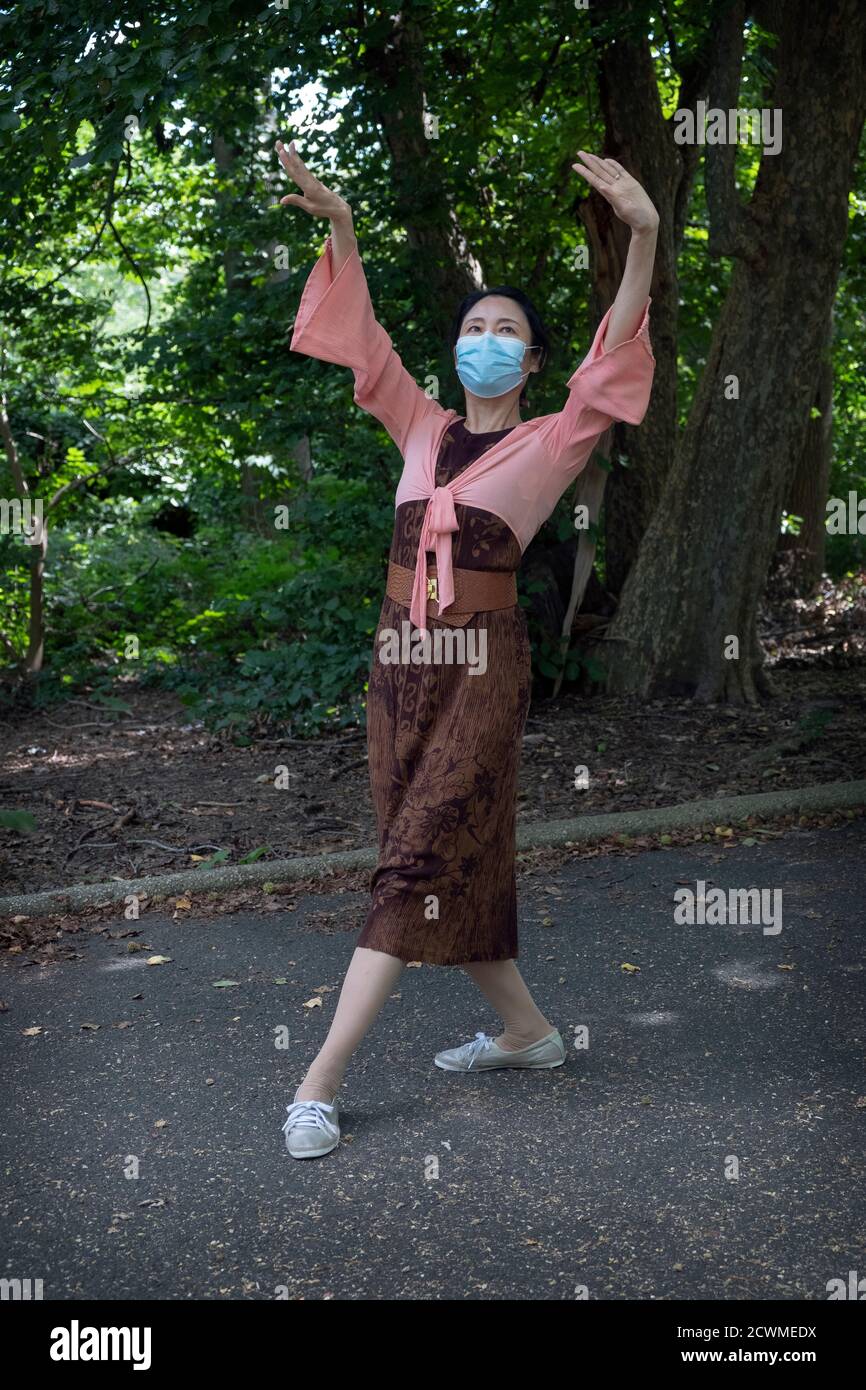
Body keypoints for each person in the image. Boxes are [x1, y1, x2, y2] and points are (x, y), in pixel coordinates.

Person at [276, 139, 658, 1159]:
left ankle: (316, 1083)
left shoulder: (551, 441)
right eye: (473, 328)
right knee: (452, 856)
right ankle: (528, 1033)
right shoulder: (419, 425)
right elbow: (365, 347)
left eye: (507, 333)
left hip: (483, 666)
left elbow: (613, 356)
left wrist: (644, 238)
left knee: (410, 862)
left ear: (533, 362)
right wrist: (342, 225)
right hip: (396, 661)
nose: (485, 340)